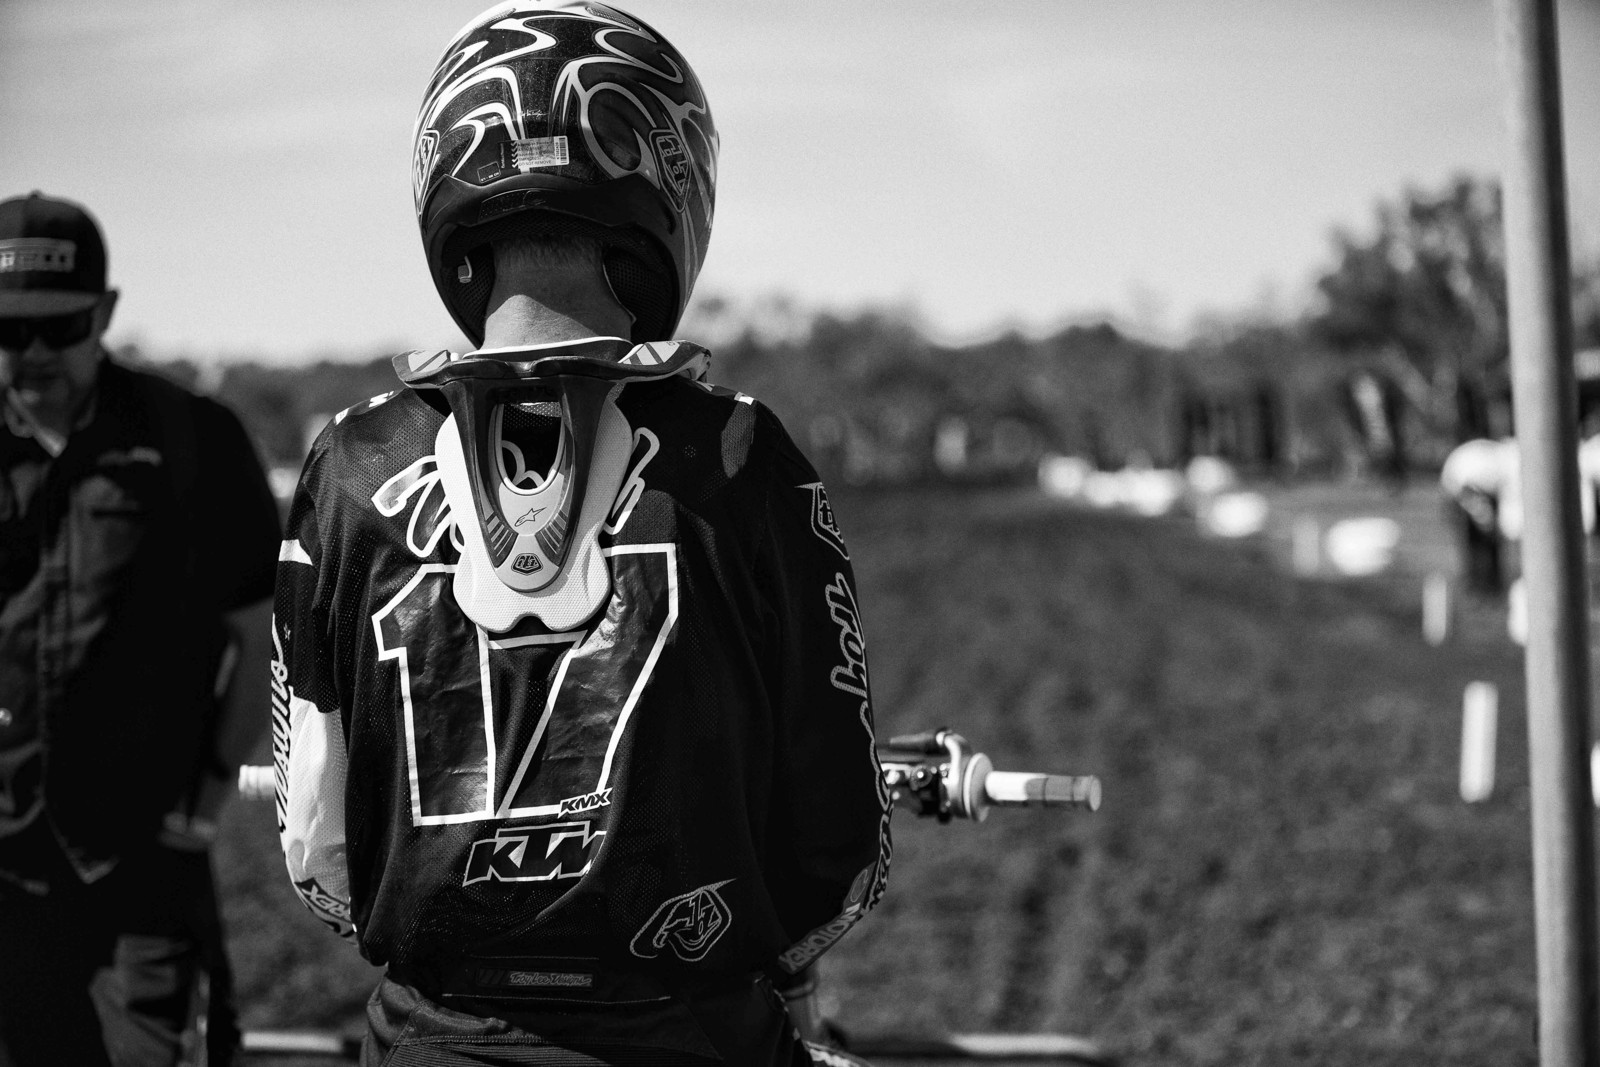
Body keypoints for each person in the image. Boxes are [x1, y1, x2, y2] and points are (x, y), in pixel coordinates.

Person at [272, 3, 892, 1065]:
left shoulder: (349, 465)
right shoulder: (739, 453)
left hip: (431, 1036)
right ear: (669, 175)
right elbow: (839, 838)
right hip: (688, 1033)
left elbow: (312, 837)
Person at [0, 192, 280, 1067]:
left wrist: (205, 803)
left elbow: (259, 632)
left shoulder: (194, 437)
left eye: (61, 327)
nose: (33, 352)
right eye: (9, 331)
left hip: (145, 861)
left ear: (106, 312)